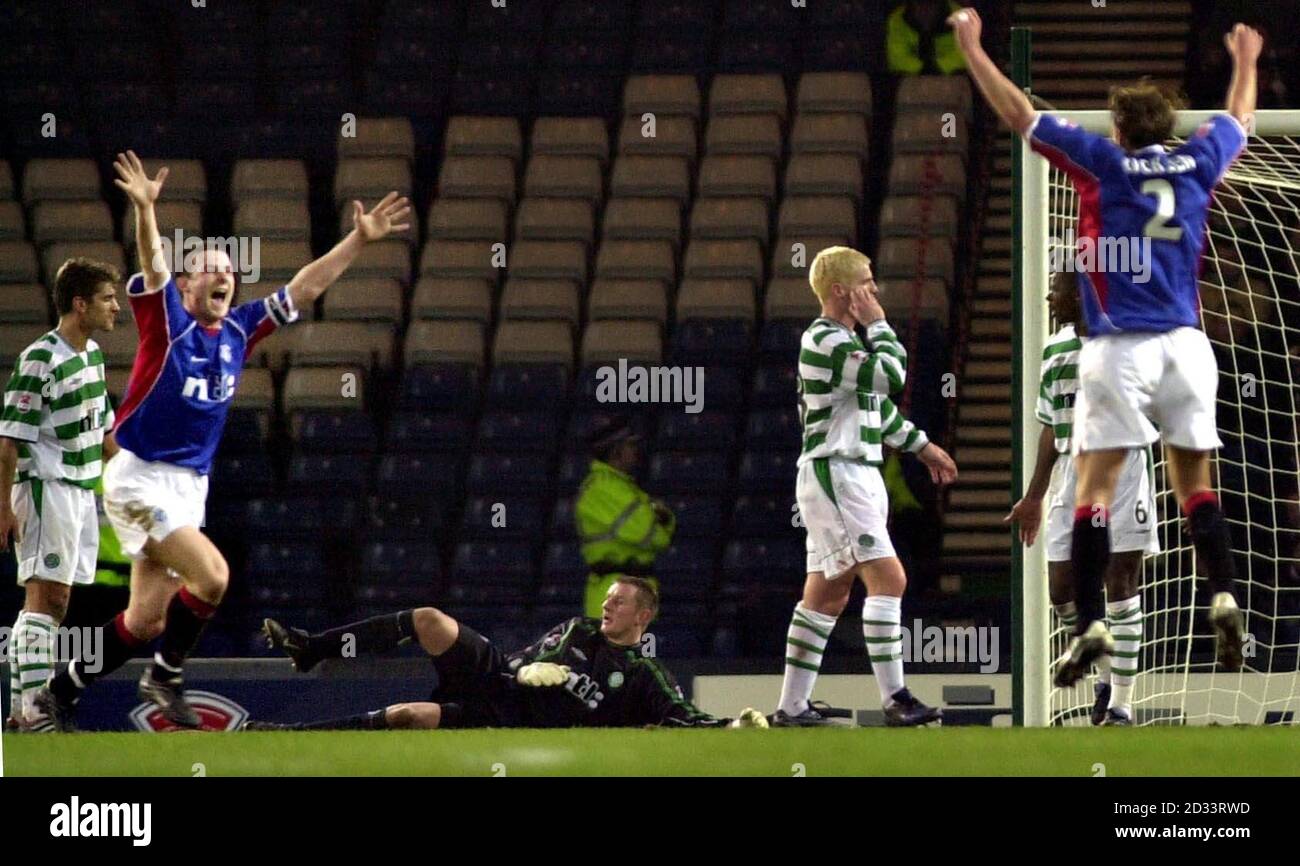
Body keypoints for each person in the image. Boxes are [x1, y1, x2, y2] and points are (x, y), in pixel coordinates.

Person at [35, 151, 411, 731]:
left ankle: (54, 696)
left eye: (231, 273)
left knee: (143, 622)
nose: (224, 277)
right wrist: (145, 209)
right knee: (212, 577)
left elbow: (304, 288)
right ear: (188, 284)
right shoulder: (167, 319)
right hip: (139, 476)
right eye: (211, 269)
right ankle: (164, 677)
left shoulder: (239, 329)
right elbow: (153, 262)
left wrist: (358, 241)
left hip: (189, 487)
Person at [949, 8, 1261, 682]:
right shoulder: (1199, 159)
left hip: (1120, 346)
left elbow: (1017, 113)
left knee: (1093, 488)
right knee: (1197, 488)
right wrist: (1245, 62)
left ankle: (1089, 619)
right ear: (1170, 128)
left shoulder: (1102, 163)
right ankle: (1224, 594)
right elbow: (1242, 118)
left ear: (1119, 129)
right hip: (1186, 344)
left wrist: (974, 49)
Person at [773, 246, 957, 728]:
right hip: (839, 472)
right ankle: (895, 698)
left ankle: (791, 707)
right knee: (889, 579)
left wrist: (922, 447)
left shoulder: (841, 345)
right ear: (842, 291)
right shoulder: (826, 339)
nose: (874, 291)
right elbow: (891, 376)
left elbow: (880, 408)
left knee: (827, 595)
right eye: (867, 283)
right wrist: (879, 324)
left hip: (849, 472)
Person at [244, 577, 768, 730]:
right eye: (607, 599)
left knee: (410, 715)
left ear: (643, 616)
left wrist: (731, 728)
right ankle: (313, 647)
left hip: (513, 722)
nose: (607, 607)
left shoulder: (641, 673)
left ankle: (285, 735)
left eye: (619, 602)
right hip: (499, 681)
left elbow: (681, 716)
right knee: (429, 619)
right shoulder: (579, 630)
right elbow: (528, 660)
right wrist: (530, 668)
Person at [1005, 272, 1159, 725]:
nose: (1048, 297)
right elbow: (1051, 426)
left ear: (1080, 295)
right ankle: (1108, 674)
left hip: (1122, 465)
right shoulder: (1055, 349)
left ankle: (1121, 705)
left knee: (1120, 585)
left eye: (1056, 290)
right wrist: (1034, 496)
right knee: (1061, 588)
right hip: (1072, 474)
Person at [1, 258, 121, 731]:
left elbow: (103, 432)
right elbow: (9, 442)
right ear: (80, 303)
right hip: (44, 487)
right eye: (108, 299)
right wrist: (3, 507)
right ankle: (34, 713)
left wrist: (135, 478)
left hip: (78, 492)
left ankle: (18, 713)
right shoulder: (39, 359)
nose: (116, 307)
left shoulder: (91, 356)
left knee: (56, 601)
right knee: (44, 596)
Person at [574, 418, 675, 618]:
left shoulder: (623, 486)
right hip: (614, 592)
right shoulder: (602, 488)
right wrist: (659, 520)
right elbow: (651, 535)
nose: (635, 450)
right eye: (630, 444)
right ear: (615, 450)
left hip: (634, 591)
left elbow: (663, 523)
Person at [886, 0, 967, 76]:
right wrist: (922, 68)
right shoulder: (898, 19)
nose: (925, 11)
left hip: (954, 77)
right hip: (912, 79)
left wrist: (937, 67)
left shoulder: (961, 17)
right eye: (920, 4)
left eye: (931, 5)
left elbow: (967, 53)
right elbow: (897, 58)